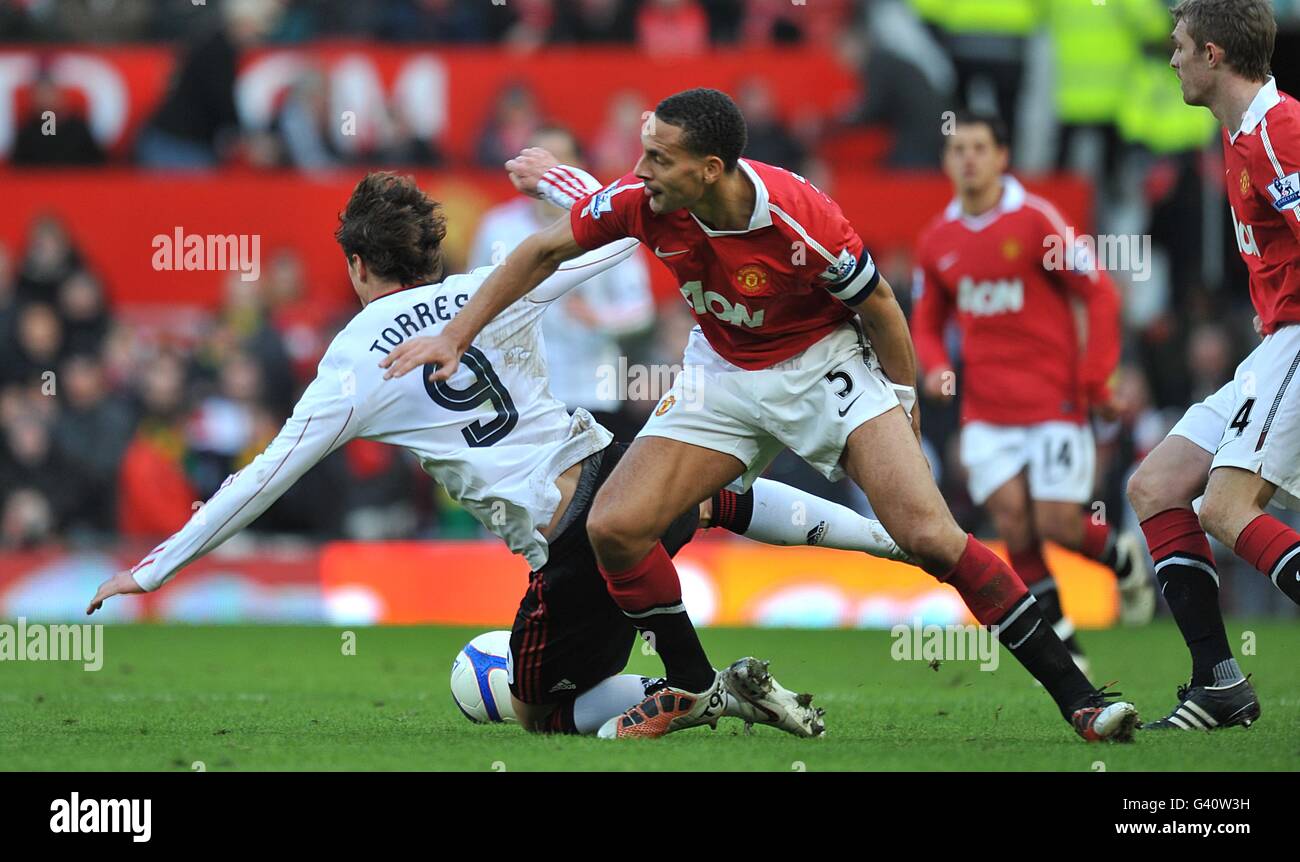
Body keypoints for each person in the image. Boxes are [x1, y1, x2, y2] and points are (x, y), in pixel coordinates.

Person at [378, 88, 1140, 742]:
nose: (641, 172)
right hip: (721, 374)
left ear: (709, 171)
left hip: (823, 368)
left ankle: (1079, 698)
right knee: (614, 526)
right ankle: (692, 686)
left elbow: (878, 303)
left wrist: (903, 403)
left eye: (658, 158)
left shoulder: (799, 216)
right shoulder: (651, 202)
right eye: (641, 154)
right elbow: (541, 252)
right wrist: (455, 335)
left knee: (932, 538)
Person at [87, 169, 910, 739]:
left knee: (540, 710)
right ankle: (887, 537)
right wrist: (559, 181)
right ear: (432, 260)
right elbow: (620, 235)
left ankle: (712, 695)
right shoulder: (494, 287)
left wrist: (153, 569)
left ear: (356, 265)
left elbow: (263, 476)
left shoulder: (355, 357)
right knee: (696, 499)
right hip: (618, 465)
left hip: (569, 543)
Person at [912, 111, 1155, 679]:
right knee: (1013, 526)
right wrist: (936, 366)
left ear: (1002, 157)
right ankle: (1066, 646)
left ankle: (1122, 559)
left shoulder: (1036, 222)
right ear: (947, 162)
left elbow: (1099, 293)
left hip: (1052, 403)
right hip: (986, 413)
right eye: (958, 149)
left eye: (979, 147)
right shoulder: (937, 240)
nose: (968, 158)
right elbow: (925, 320)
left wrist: (1097, 379)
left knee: (1055, 524)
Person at [1127, 0, 1300, 731]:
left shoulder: (1278, 132)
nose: (1170, 59)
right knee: (1156, 485)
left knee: (1225, 510)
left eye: (1179, 46)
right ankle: (1220, 683)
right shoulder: (1239, 135)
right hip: (1275, 344)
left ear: (1214, 56)